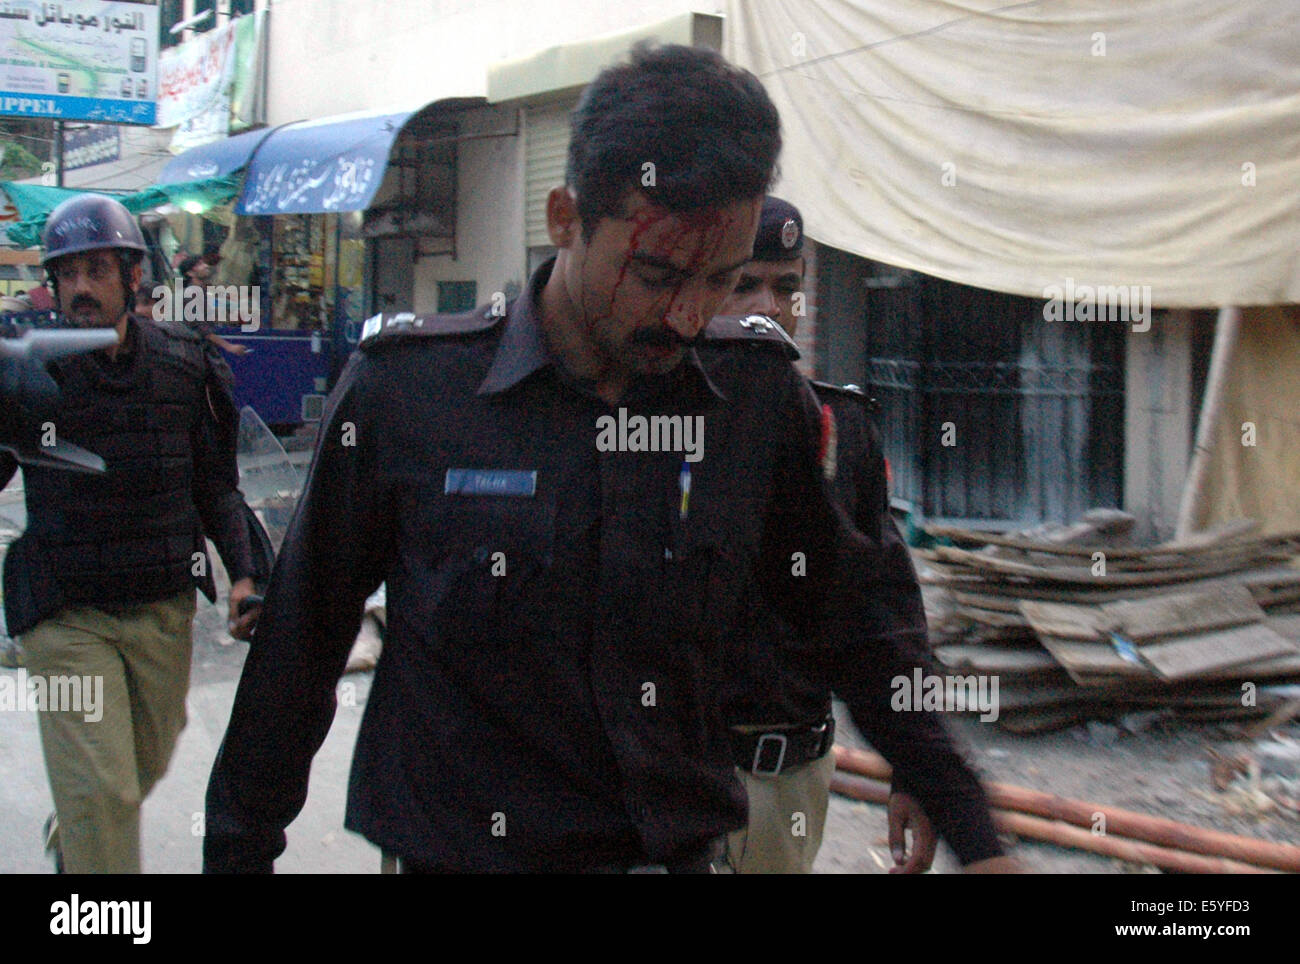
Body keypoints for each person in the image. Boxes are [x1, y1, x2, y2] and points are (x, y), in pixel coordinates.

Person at [204, 43, 1009, 873]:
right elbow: (300, 650)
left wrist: (971, 829)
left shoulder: (754, 402)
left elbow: (854, 625)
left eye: (721, 279)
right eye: (658, 275)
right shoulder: (408, 395)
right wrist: (237, 852)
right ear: (563, 218)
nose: (691, 316)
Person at [716, 197, 985, 873]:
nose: (768, 307)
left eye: (787, 287)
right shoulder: (653, 430)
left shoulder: (844, 430)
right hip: (677, 776)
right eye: (743, 283)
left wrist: (912, 773)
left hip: (790, 783)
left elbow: (890, 614)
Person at [1, 194, 262, 873]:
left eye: (97, 270)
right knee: (107, 792)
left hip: (160, 609)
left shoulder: (184, 364)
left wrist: (243, 575)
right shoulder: (27, 370)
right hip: (64, 616)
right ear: (53, 285)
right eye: (68, 274)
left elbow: (216, 486)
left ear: (133, 276)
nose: (81, 287)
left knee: (142, 762)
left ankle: (79, 835)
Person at [178, 254, 248, 356]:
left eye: (204, 263)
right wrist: (229, 347)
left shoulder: (203, 292)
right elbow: (201, 328)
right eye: (200, 264)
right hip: (196, 352)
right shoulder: (191, 294)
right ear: (190, 273)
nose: (206, 266)